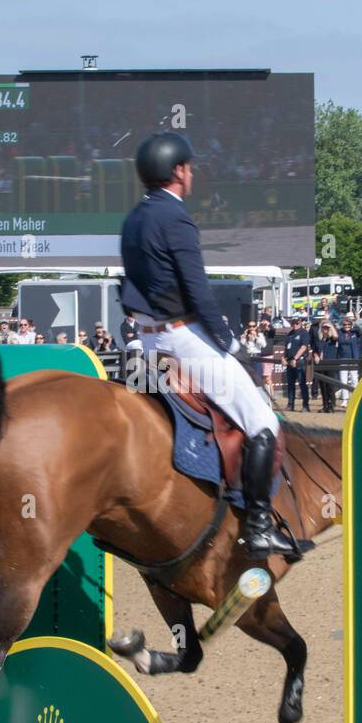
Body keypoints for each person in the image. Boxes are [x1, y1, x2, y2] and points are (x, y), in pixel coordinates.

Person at [119, 131, 295, 557]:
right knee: (262, 422)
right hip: (182, 341)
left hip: (142, 347)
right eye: (189, 167)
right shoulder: (175, 217)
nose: (192, 173)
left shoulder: (134, 218)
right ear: (178, 171)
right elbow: (196, 289)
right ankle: (256, 527)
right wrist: (228, 340)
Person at [283, 315, 311, 412]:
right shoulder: (290, 333)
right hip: (290, 361)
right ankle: (290, 404)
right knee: (290, 384)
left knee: (302, 383)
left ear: (300, 322)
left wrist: (295, 358)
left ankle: (306, 405)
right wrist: (284, 357)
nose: (294, 324)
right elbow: (286, 347)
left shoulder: (304, 333)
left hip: (300, 361)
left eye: (296, 322)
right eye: (293, 322)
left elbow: (303, 347)